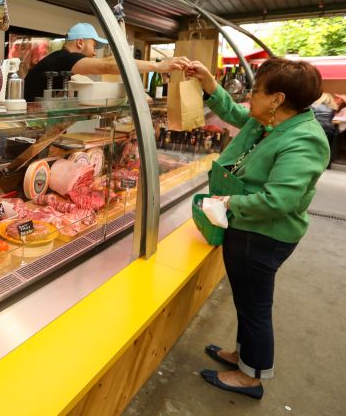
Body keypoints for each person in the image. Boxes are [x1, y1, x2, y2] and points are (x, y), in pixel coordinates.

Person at [186, 58, 329, 400]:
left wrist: (230, 202)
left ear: (277, 99)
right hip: (248, 230)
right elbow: (237, 115)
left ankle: (251, 378)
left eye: (256, 91)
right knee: (246, 299)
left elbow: (278, 200)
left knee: (255, 306)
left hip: (265, 236)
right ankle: (243, 357)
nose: (250, 97)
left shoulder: (304, 140)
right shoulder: (272, 121)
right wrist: (209, 83)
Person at [23, 23, 189, 102]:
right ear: (80, 43)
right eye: (94, 46)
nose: (95, 52)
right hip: (26, 126)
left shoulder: (60, 60)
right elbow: (108, 65)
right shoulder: (64, 58)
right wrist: (158, 66)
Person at [311, 93, 337, 167]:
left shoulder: (314, 105)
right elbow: (330, 119)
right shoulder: (333, 108)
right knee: (327, 146)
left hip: (316, 128)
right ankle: (327, 164)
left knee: (314, 146)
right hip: (329, 129)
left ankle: (313, 162)